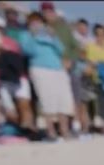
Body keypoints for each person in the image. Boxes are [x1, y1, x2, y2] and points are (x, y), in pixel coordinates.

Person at [20, 11, 73, 140]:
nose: (36, 24)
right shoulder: (25, 35)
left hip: (58, 69)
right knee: (47, 100)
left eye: (39, 21)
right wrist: (33, 36)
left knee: (64, 99)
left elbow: (61, 50)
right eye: (33, 22)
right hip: (40, 69)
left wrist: (54, 37)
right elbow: (28, 51)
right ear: (28, 24)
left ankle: (64, 130)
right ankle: (51, 131)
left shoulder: (49, 35)